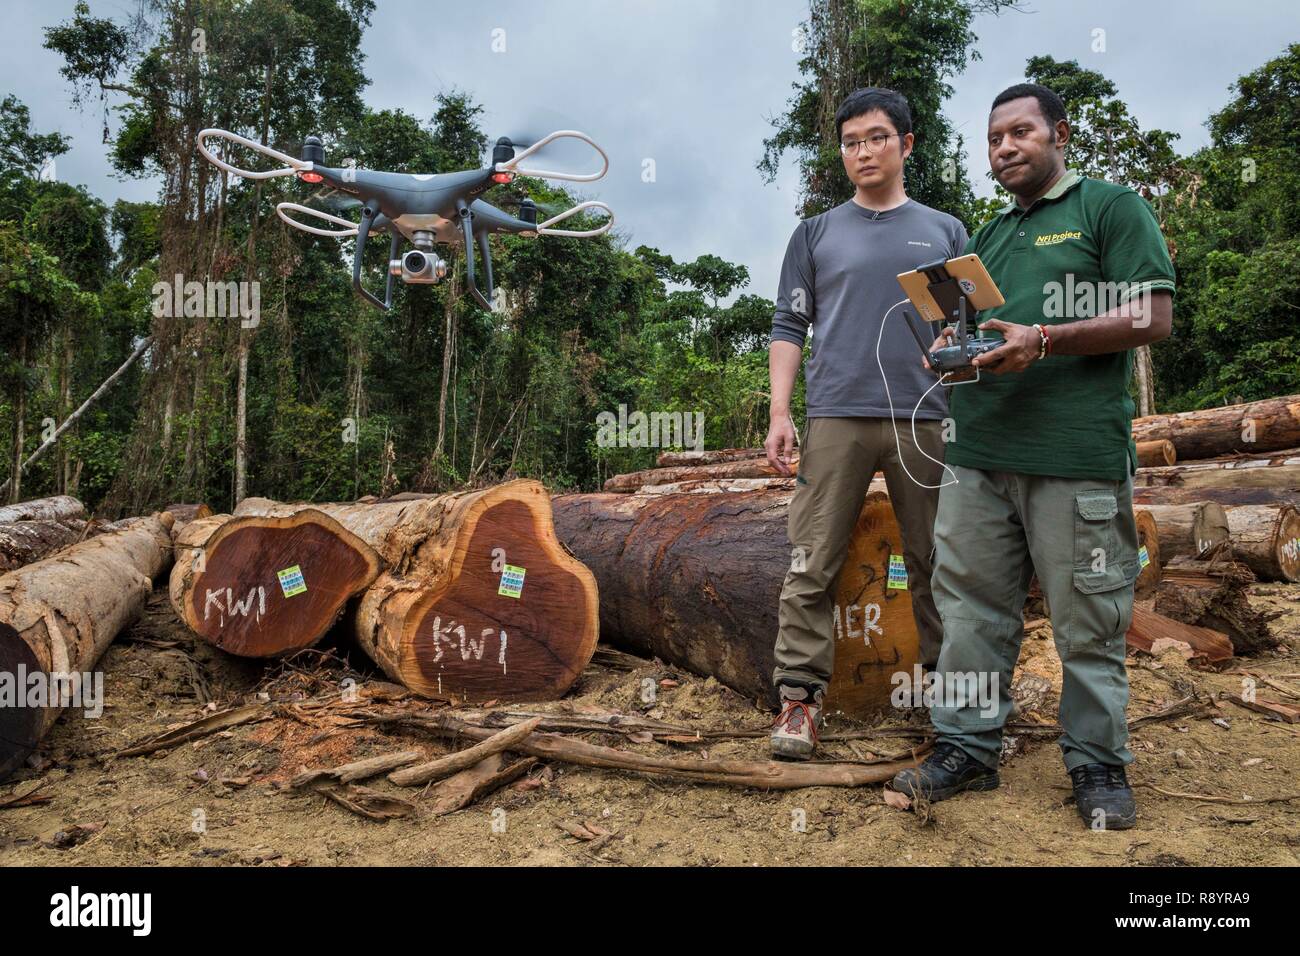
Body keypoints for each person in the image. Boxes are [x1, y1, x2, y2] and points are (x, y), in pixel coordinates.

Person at [890, 83, 1175, 829]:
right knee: (971, 612)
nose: (1005, 148)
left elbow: (1153, 314)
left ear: (1059, 134)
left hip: (1072, 456)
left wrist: (1045, 339)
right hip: (978, 454)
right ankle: (967, 748)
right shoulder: (988, 233)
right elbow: (987, 332)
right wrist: (958, 350)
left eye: (1020, 132)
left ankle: (1097, 764)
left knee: (1088, 619)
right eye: (994, 139)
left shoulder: (1109, 208)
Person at [766, 87, 968, 759]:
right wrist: (779, 412)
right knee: (810, 561)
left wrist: (953, 352)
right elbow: (789, 325)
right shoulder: (817, 234)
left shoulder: (941, 232)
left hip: (923, 417)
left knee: (938, 562)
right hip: (835, 418)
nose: (863, 152)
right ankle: (798, 704)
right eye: (851, 142)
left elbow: (958, 329)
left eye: (877, 138)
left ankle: (949, 705)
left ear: (906, 144)